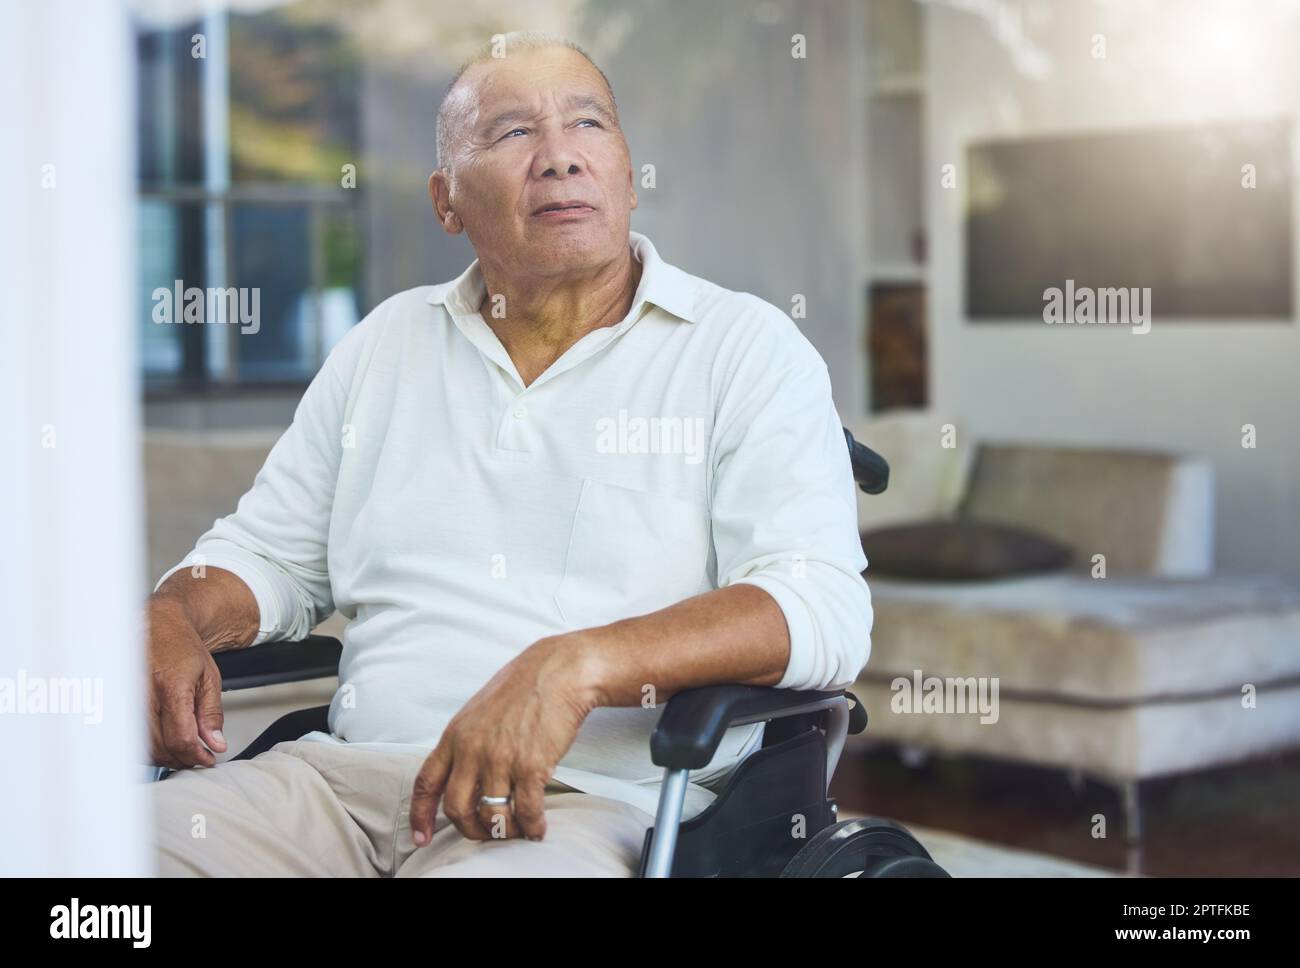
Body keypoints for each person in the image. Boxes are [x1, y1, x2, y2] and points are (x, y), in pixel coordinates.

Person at [145, 31, 872, 877]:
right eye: (514, 133)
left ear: (629, 177)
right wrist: (171, 613)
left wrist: (577, 665)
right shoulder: (386, 344)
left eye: (588, 125)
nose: (560, 158)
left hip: (582, 808)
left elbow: (818, 604)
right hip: (336, 784)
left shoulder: (742, 347)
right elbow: (269, 557)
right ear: (446, 201)